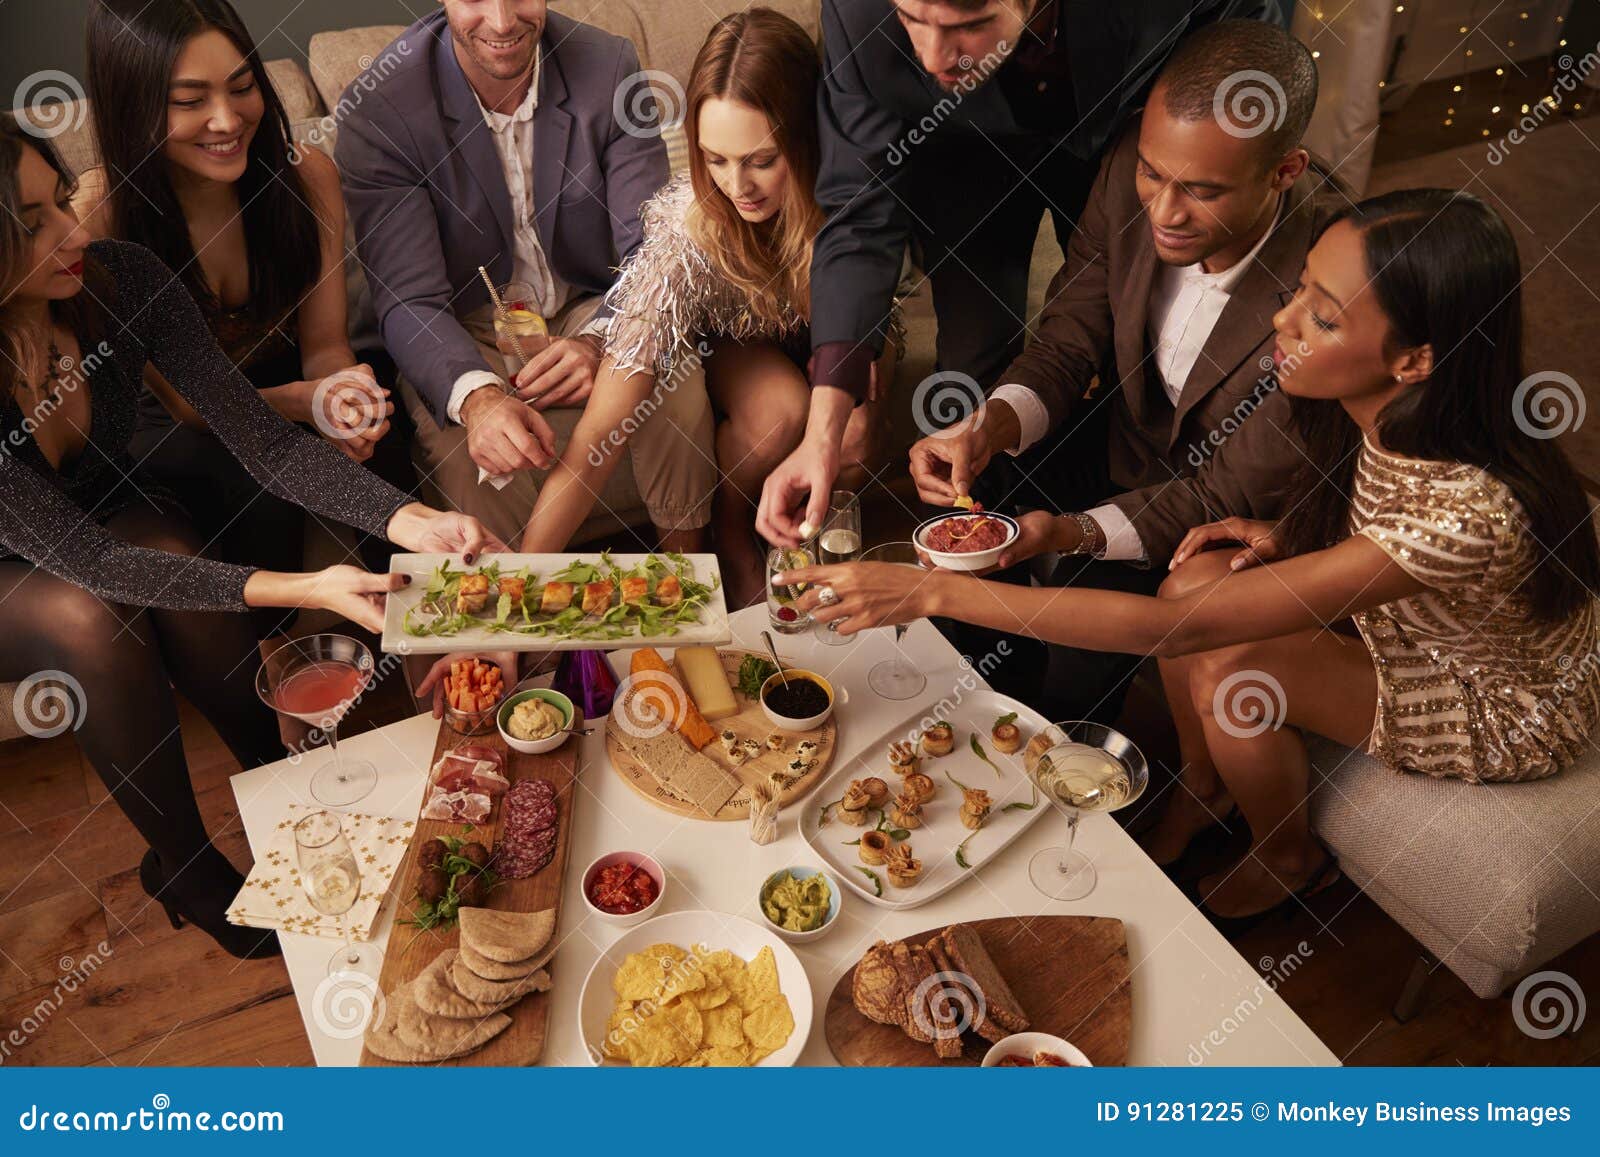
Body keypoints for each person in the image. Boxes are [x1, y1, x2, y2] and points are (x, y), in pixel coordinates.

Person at [777, 189, 1600, 924]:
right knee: (1196, 572)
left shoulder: (1465, 510)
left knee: (1231, 660)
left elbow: (1171, 632)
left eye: (1323, 316)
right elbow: (1375, 526)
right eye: (1300, 290)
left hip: (1493, 696)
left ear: (1415, 361)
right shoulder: (1386, 409)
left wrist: (930, 594)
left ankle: (1290, 858)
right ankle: (1205, 787)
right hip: (1422, 614)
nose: (1283, 321)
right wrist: (1293, 540)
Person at [0, 118, 502, 958]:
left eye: (62, 201)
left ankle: (283, 789)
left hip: (101, 507)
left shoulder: (119, 280)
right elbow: (88, 564)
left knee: (178, 562)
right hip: (19, 561)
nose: (74, 232)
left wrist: (410, 520)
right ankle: (186, 865)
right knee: (95, 619)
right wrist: (306, 588)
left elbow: (261, 440)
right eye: (36, 222)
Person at [906, 19, 1338, 724]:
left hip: (1225, 518)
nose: (1162, 212)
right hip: (1126, 441)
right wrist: (988, 427)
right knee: (974, 480)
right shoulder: (1126, 168)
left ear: (1287, 170)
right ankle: (979, 710)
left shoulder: (1326, 287)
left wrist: (1070, 531)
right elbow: (1070, 337)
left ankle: (1068, 763)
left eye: (1200, 191)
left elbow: (1217, 491)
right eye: (1153, 174)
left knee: (1077, 641)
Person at [757, 0, 1277, 547]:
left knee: (1126, 334)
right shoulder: (860, 11)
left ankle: (1120, 549)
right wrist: (823, 434)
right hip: (959, 148)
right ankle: (977, 575)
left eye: (970, 25)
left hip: (1121, 132)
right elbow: (859, 210)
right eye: (912, 20)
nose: (931, 55)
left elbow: (1245, 47)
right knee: (971, 362)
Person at [516, 8, 897, 607]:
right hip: (736, 339)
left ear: (805, 139)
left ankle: (812, 563)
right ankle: (732, 529)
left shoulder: (848, 199)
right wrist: (510, 589)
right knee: (779, 411)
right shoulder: (685, 236)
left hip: (830, 335)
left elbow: (881, 317)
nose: (735, 186)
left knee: (852, 440)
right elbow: (596, 442)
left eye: (760, 160)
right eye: (715, 159)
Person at [77, 0, 418, 639]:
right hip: (177, 419)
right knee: (253, 493)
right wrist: (306, 403)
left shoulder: (305, 177)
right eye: (189, 100)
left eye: (242, 86)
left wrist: (342, 393)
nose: (227, 120)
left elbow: (323, 344)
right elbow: (187, 404)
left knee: (385, 449)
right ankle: (286, 679)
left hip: (288, 380)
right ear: (132, 105)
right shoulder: (103, 218)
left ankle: (436, 654)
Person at [336, 0, 714, 550]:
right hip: (465, 325)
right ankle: (516, 620)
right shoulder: (382, 107)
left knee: (676, 389)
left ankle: (686, 592)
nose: (502, 20)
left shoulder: (608, 65)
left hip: (593, 300)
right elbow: (409, 298)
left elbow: (652, 247)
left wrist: (597, 339)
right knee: (477, 461)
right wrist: (480, 401)